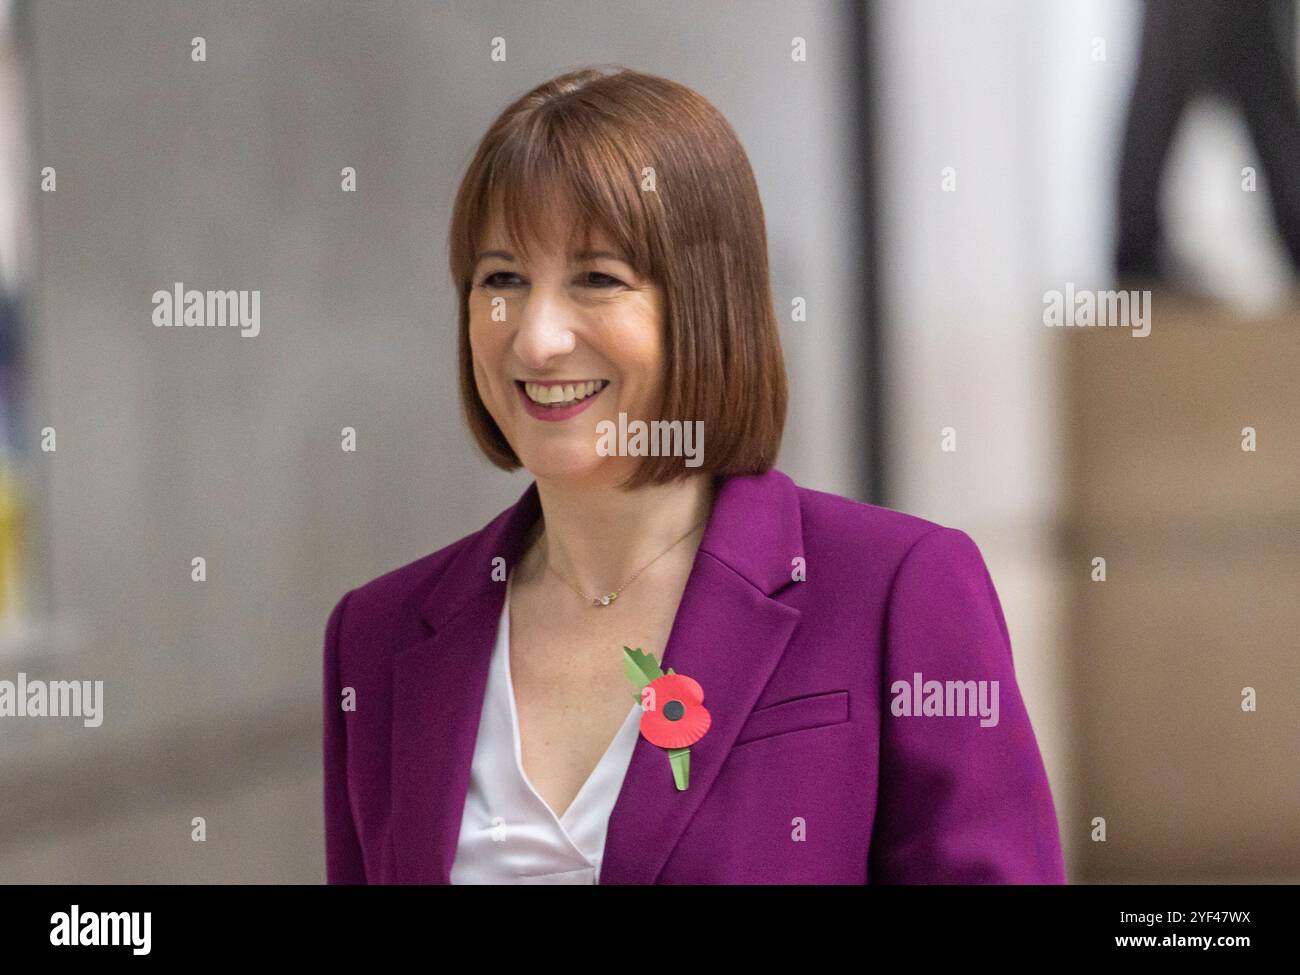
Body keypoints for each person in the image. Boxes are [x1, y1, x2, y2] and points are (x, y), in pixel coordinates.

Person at [323, 65, 1066, 884]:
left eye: (597, 279)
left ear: (708, 304)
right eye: (502, 279)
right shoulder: (378, 636)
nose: (535, 339)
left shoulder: (896, 591)